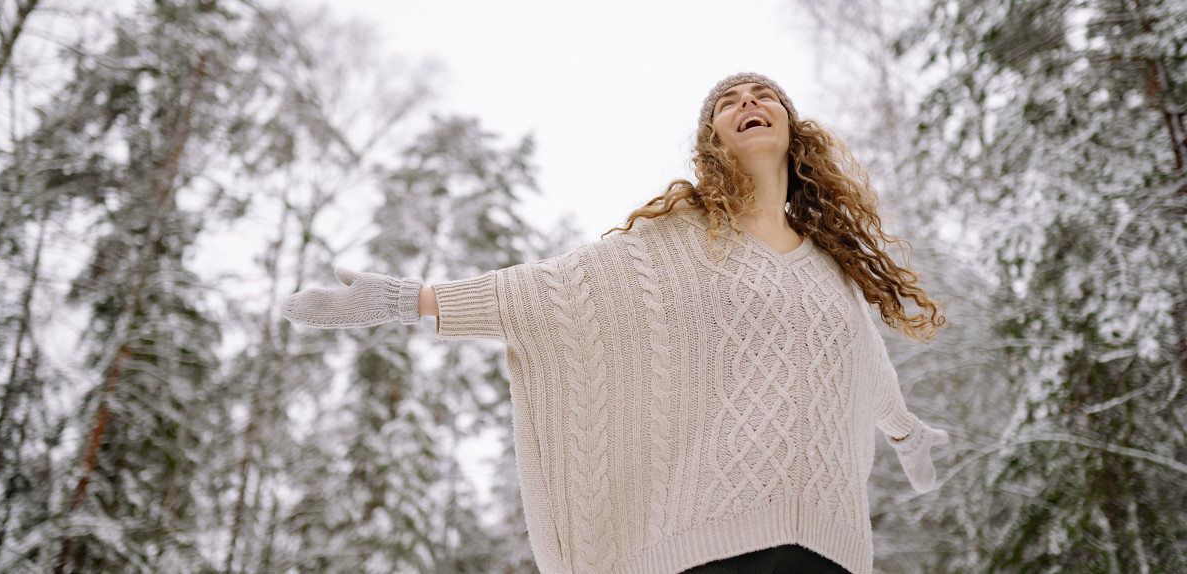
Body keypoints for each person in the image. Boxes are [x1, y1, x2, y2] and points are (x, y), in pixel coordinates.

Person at [281, 72, 949, 574]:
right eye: (729, 101)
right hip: (719, 538)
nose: (748, 102)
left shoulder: (831, 273)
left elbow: (867, 367)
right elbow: (551, 294)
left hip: (832, 544)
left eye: (763, 93)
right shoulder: (684, 241)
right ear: (712, 138)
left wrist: (905, 431)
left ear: (792, 129)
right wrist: (408, 300)